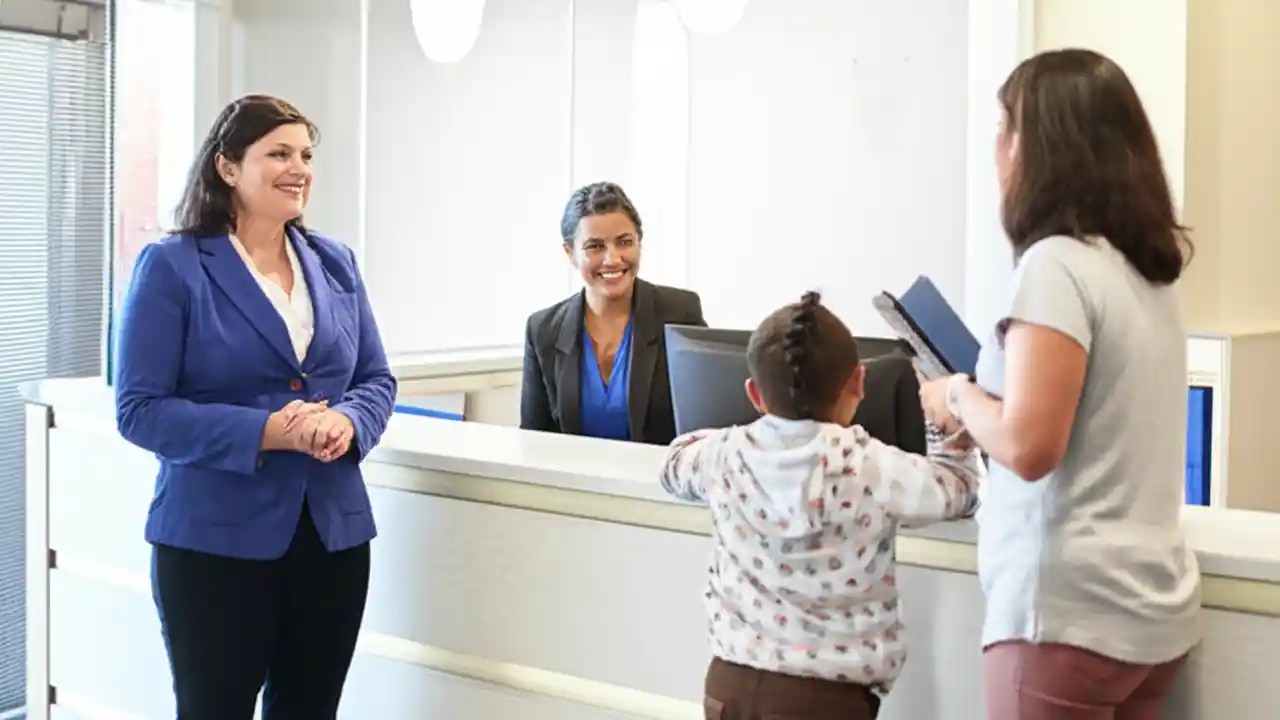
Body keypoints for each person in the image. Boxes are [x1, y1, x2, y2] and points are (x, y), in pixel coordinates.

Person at [918, 49, 1201, 719]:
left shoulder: (1055, 267)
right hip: (1150, 616)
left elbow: (1030, 445)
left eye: (1004, 127)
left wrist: (957, 394)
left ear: (1038, 146)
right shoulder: (1145, 274)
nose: (996, 149)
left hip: (1068, 615)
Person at [113, 94, 396, 719]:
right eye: (278, 153)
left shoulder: (335, 263)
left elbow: (376, 378)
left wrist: (347, 421)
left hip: (332, 536)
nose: (299, 168)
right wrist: (268, 432)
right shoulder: (173, 267)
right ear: (228, 167)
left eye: (305, 155)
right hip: (215, 541)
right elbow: (140, 409)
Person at [660, 291, 981, 720]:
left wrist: (727, 435)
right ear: (859, 383)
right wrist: (945, 429)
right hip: (828, 702)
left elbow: (674, 463)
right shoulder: (871, 467)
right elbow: (959, 491)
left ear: (755, 394)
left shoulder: (725, 456)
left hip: (728, 686)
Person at [521, 181, 706, 445]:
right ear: (570, 252)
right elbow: (532, 440)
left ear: (639, 243)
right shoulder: (542, 330)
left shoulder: (680, 312)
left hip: (657, 482)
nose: (613, 259)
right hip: (574, 482)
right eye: (595, 246)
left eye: (625, 242)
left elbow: (705, 428)